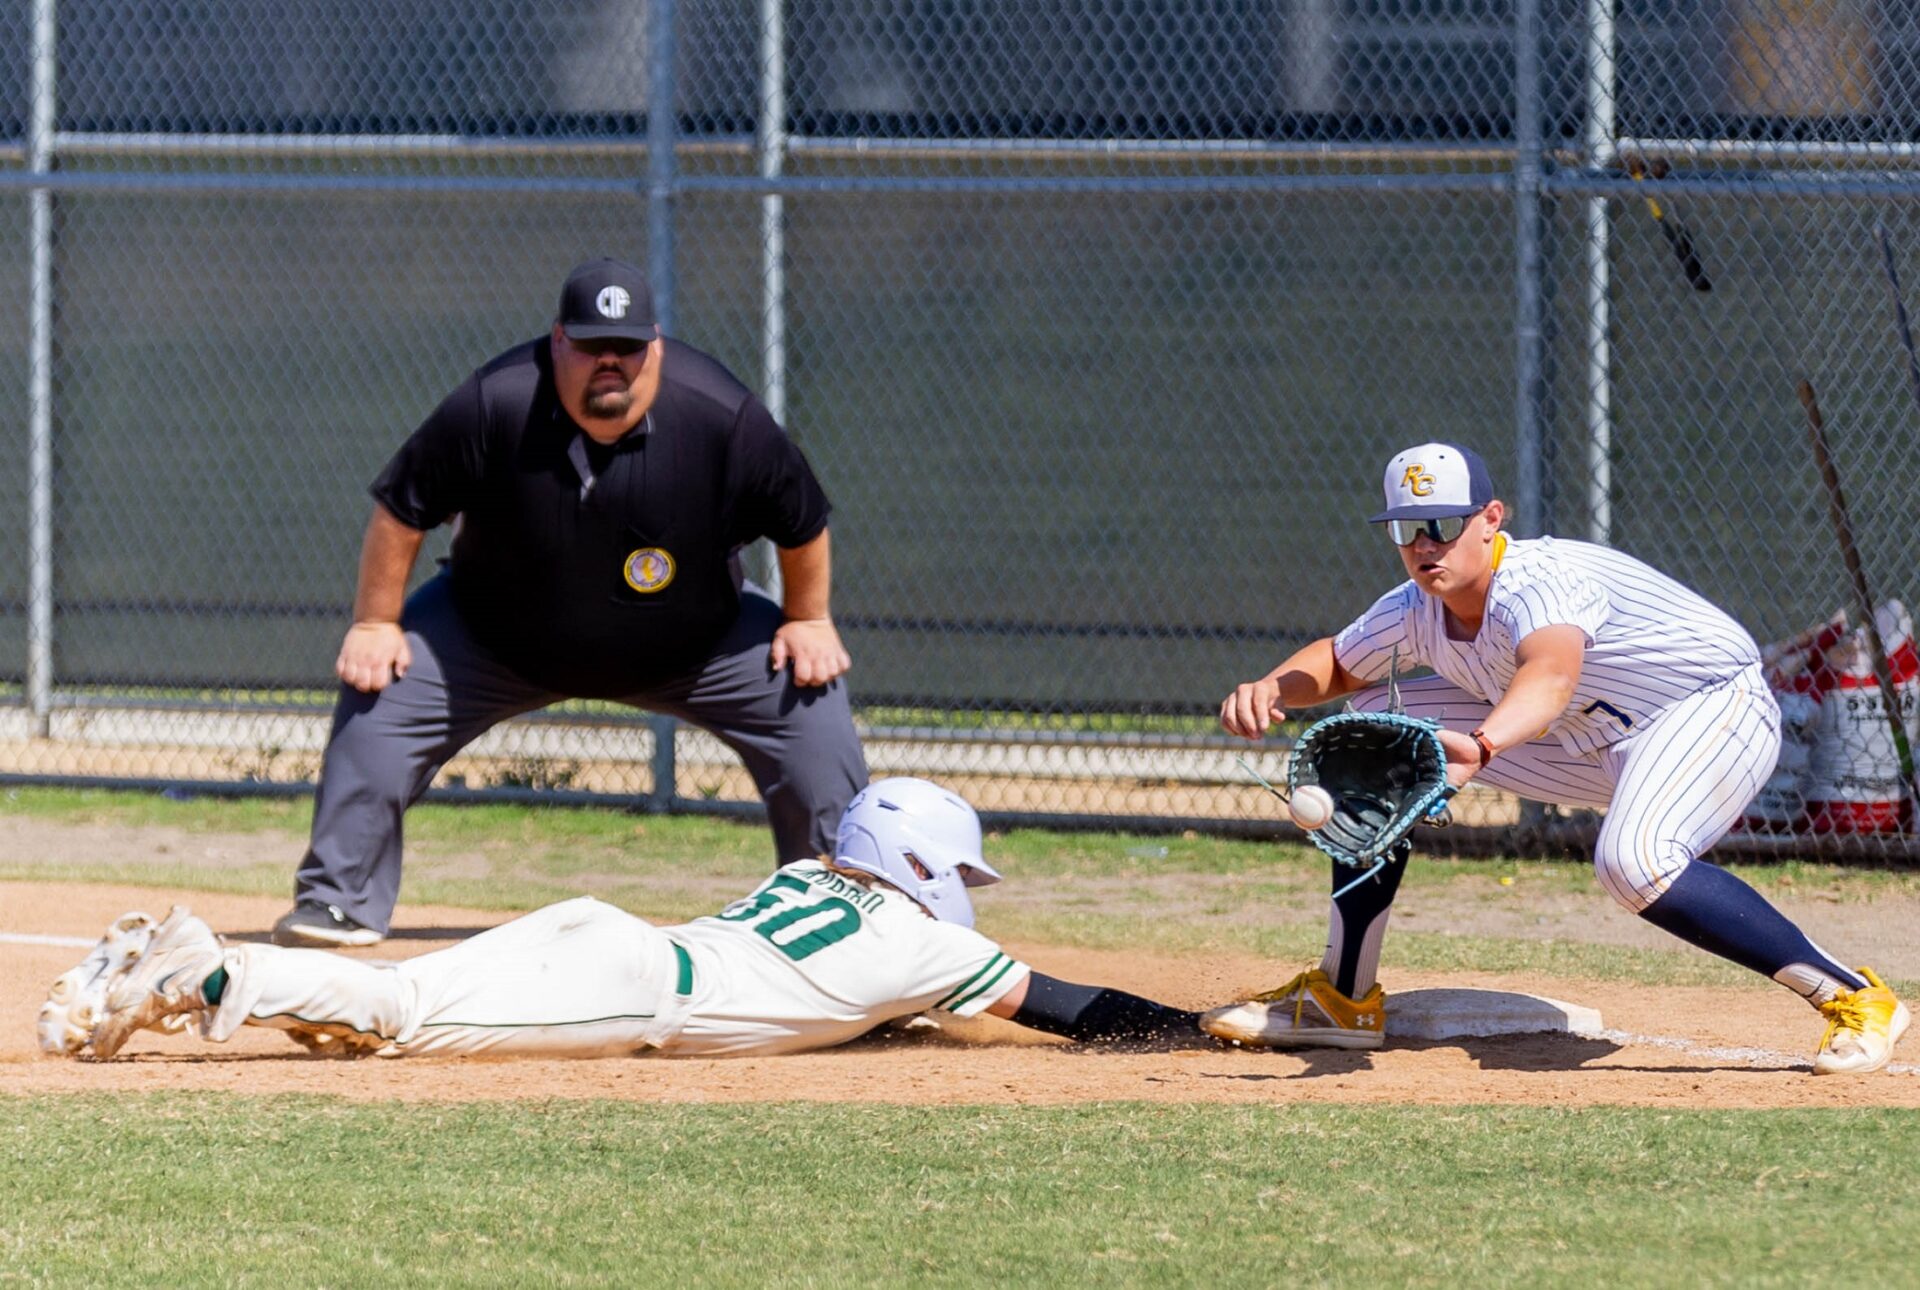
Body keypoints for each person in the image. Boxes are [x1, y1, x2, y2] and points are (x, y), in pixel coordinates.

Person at [1207, 442, 1909, 1075]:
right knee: (1366, 735)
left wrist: (1481, 746)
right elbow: (1337, 661)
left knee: (1634, 863)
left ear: (1490, 517)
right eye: (1405, 529)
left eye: (1443, 525)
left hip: (1704, 710)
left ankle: (1855, 998)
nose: (1425, 545)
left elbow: (1549, 676)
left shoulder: (1539, 580)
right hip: (1590, 737)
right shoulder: (1417, 605)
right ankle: (1343, 997)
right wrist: (1273, 686)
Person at [273, 257, 869, 949]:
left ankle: (846, 917)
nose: (609, 361)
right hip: (491, 638)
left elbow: (802, 520)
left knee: (811, 702)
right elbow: (402, 510)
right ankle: (337, 905)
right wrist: (376, 622)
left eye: (627, 345)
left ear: (656, 345)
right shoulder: (496, 401)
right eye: (590, 344)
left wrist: (808, 618)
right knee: (380, 691)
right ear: (558, 340)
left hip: (697, 645)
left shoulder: (718, 414)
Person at [40, 779, 1206, 1061]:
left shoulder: (810, 878)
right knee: (406, 1017)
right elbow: (1068, 1010)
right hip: (645, 989)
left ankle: (232, 984)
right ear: (918, 863)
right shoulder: (934, 945)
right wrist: (1202, 1028)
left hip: (606, 931)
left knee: (407, 996)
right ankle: (212, 972)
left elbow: (845, 997)